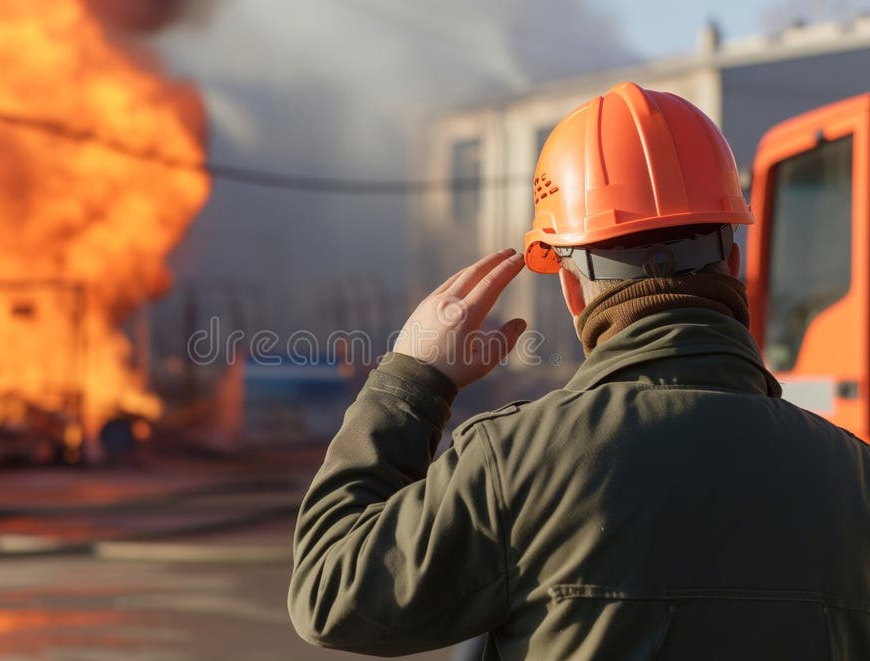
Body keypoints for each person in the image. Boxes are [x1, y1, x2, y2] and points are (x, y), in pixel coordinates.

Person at [287, 82, 870, 659]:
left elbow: (329, 593)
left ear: (570, 286)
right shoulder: (855, 476)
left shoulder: (514, 463)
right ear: (734, 262)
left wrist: (411, 380)